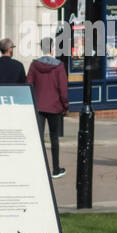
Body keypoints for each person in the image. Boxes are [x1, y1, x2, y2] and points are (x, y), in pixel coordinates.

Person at [26, 37, 69, 179]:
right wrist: (65, 106)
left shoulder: (34, 65)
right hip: (54, 106)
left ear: (41, 49)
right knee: (54, 138)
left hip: (38, 106)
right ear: (52, 48)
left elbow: (29, 84)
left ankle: (37, 169)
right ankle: (56, 169)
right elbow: (63, 88)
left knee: (38, 139)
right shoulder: (59, 66)